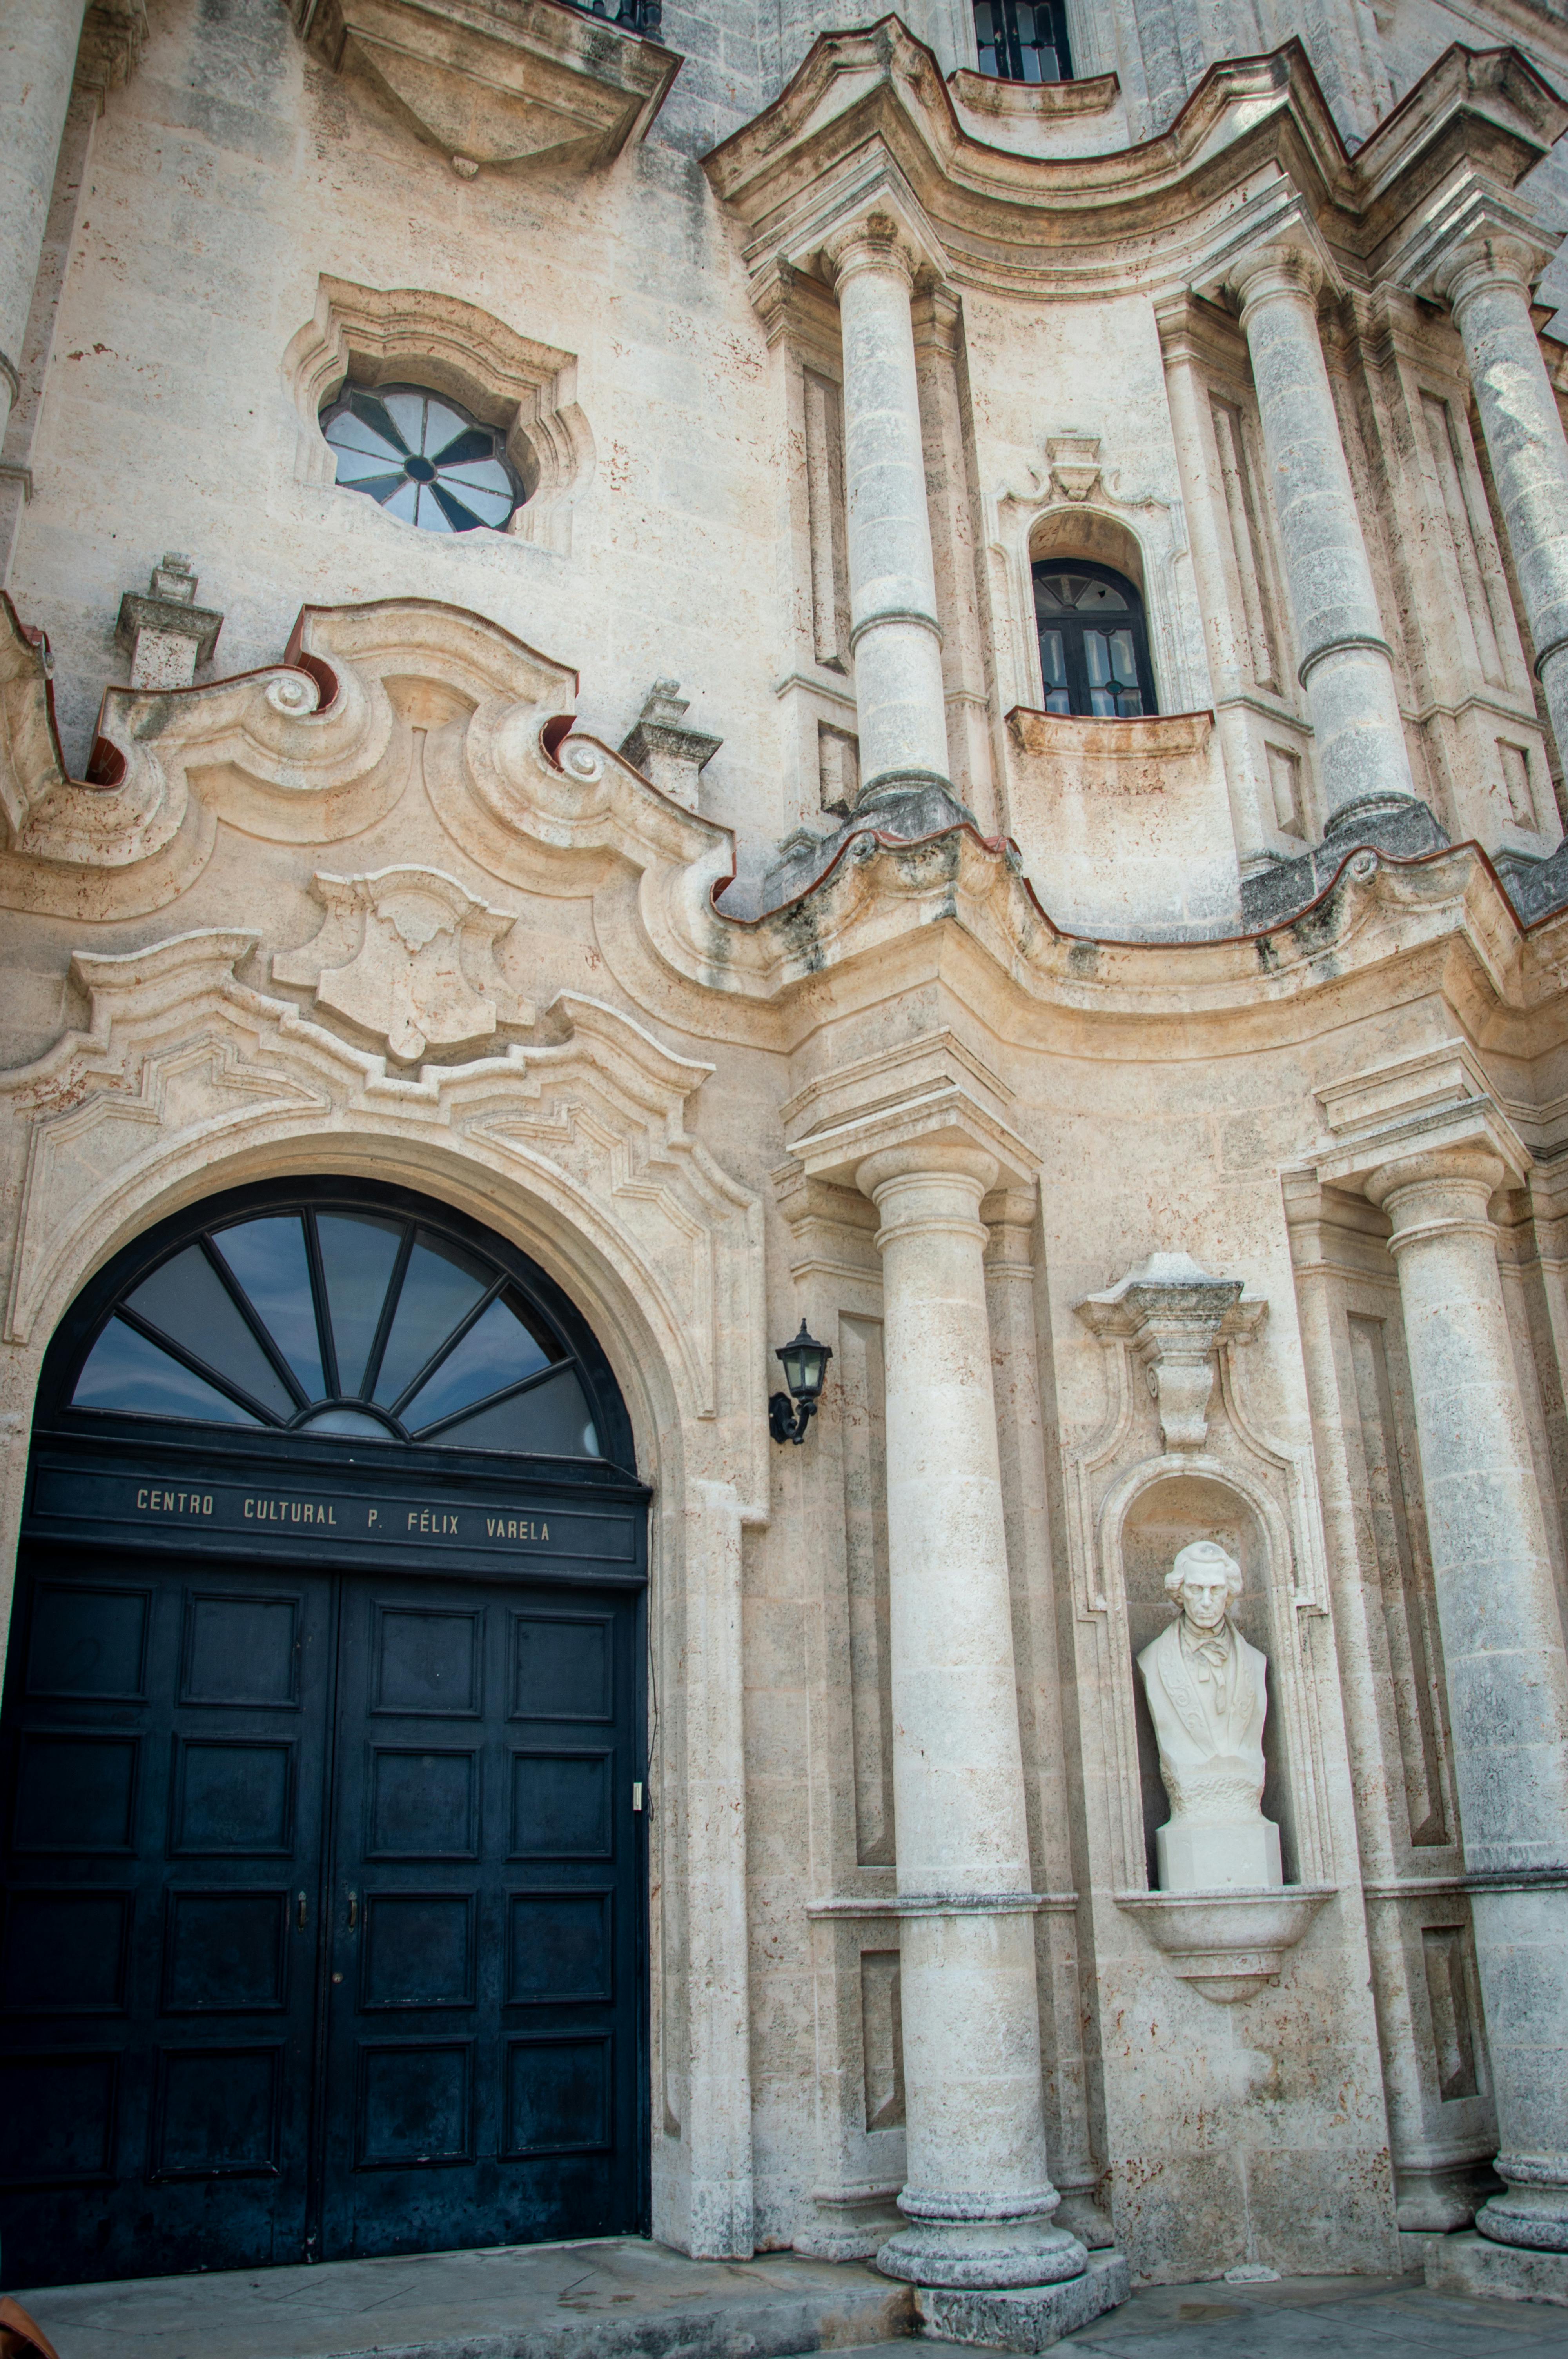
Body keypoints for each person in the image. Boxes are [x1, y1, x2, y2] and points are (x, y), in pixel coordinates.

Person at [1136, 1538, 1281, 1889]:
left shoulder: (1255, 1662)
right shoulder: (1154, 1662)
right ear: (1180, 1592)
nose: (1206, 1602)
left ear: (1229, 1593)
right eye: (1196, 1589)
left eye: (1215, 1590)